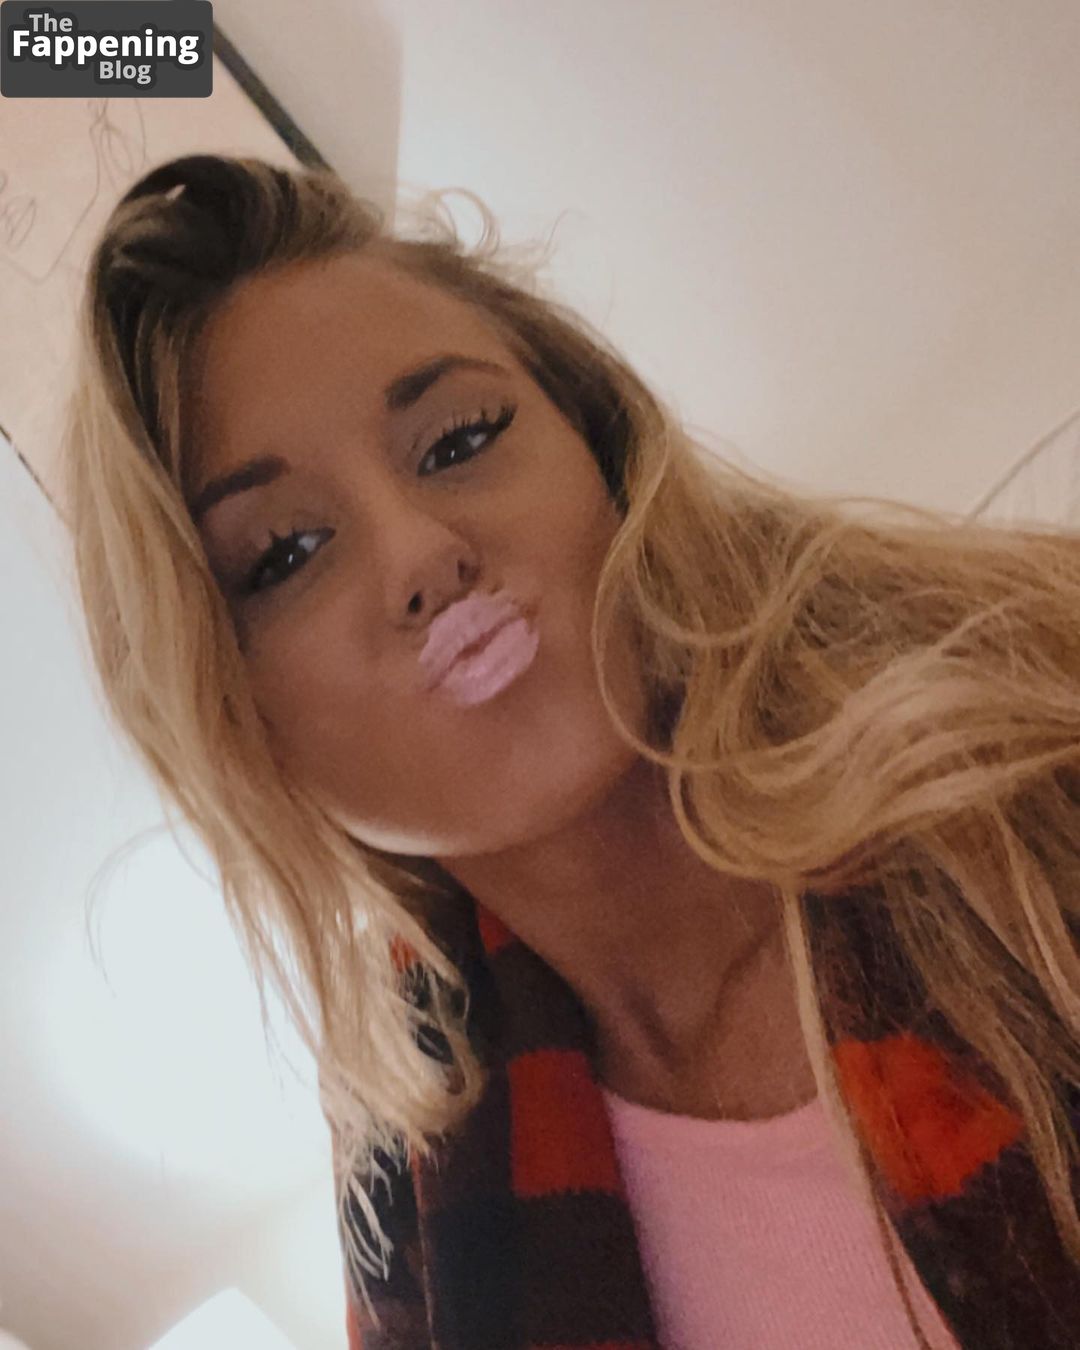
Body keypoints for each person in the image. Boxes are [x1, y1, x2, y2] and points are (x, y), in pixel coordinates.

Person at [61, 153, 1080, 1349]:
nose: (422, 553)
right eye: (285, 553)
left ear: (597, 440)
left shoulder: (1032, 749)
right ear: (234, 717)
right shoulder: (415, 1207)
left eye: (458, 439)